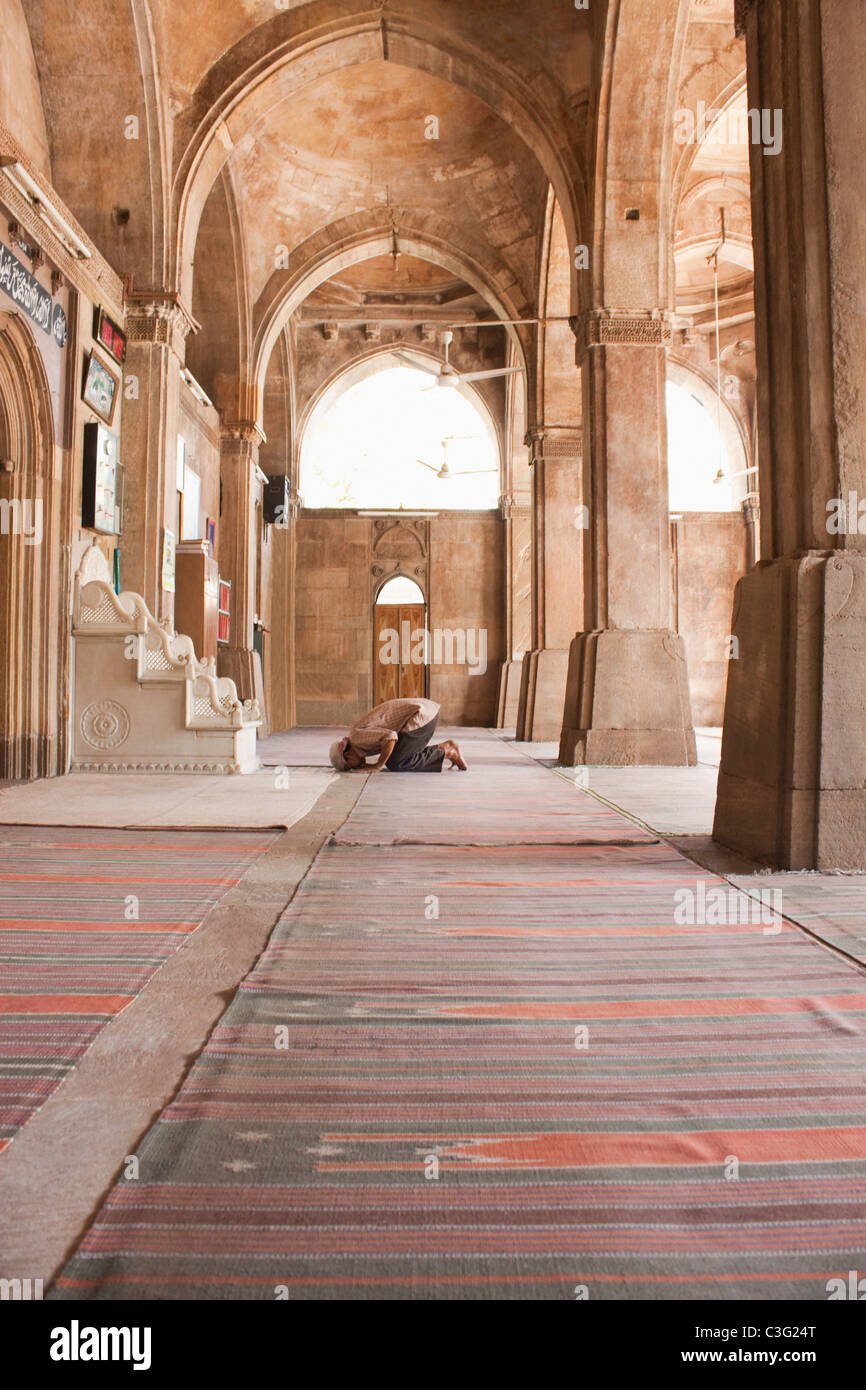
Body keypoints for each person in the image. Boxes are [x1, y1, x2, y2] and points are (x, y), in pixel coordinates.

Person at [329, 697, 467, 774]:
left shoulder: (357, 739)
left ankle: (448, 751)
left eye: (351, 767)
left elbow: (390, 737)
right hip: (424, 713)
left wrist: (377, 766)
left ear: (347, 756)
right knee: (398, 756)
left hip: (421, 715)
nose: (356, 768)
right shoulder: (357, 739)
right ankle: (445, 748)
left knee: (397, 762)